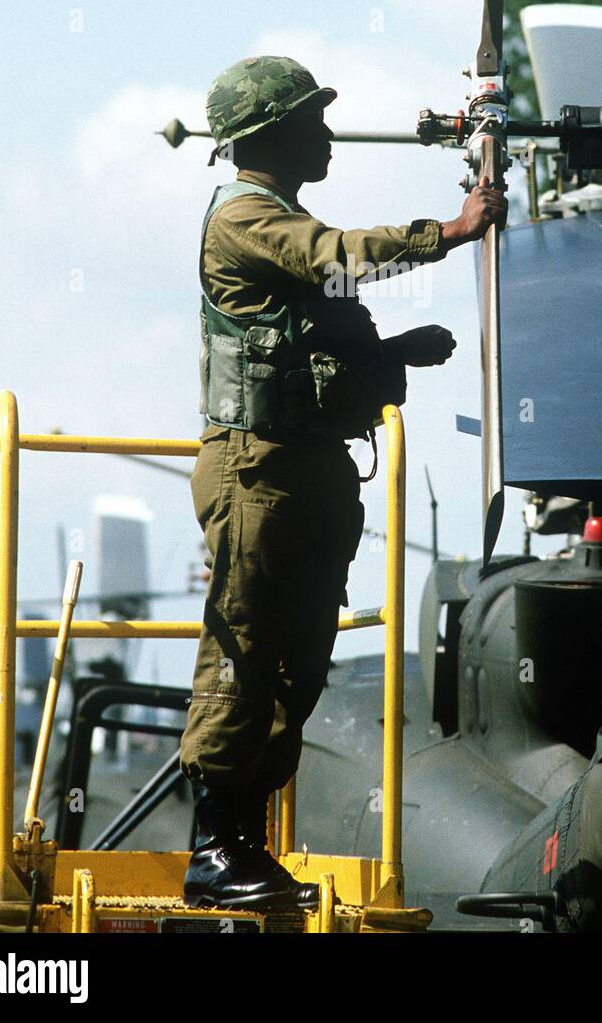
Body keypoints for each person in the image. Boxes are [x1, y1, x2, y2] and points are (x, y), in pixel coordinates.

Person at [180, 55, 507, 910]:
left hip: (306, 471)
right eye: (311, 119)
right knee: (245, 652)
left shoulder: (276, 217)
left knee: (298, 661)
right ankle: (212, 850)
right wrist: (451, 229)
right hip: (260, 469)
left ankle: (245, 844)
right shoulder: (245, 217)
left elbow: (305, 333)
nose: (325, 132)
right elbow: (334, 259)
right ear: (270, 135)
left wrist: (388, 355)